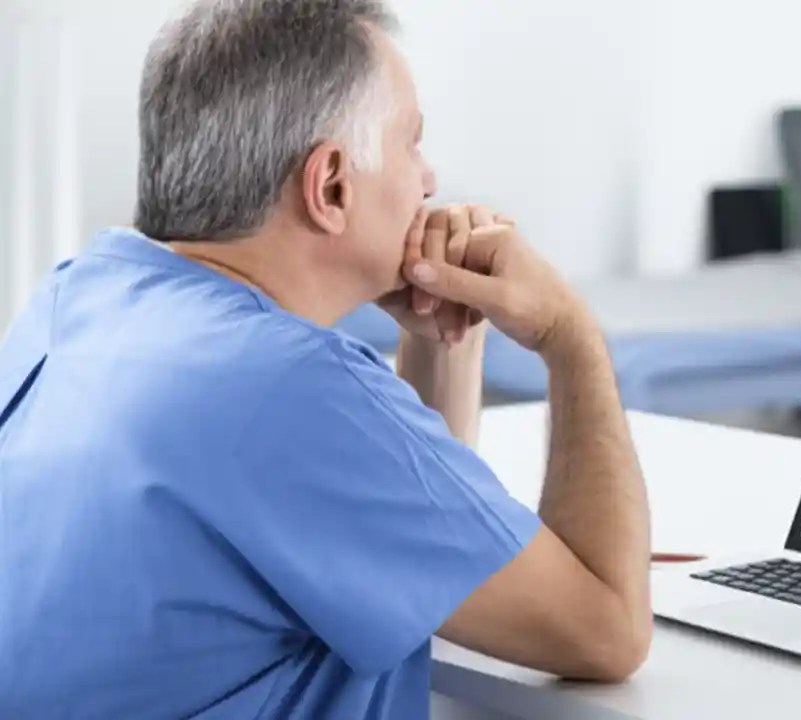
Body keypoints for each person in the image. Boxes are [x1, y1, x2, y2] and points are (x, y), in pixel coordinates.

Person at [0, 1, 652, 717]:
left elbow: (417, 553)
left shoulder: (74, 300)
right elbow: (608, 631)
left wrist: (439, 337)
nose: (430, 179)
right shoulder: (294, 389)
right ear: (332, 185)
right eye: (412, 144)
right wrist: (571, 336)